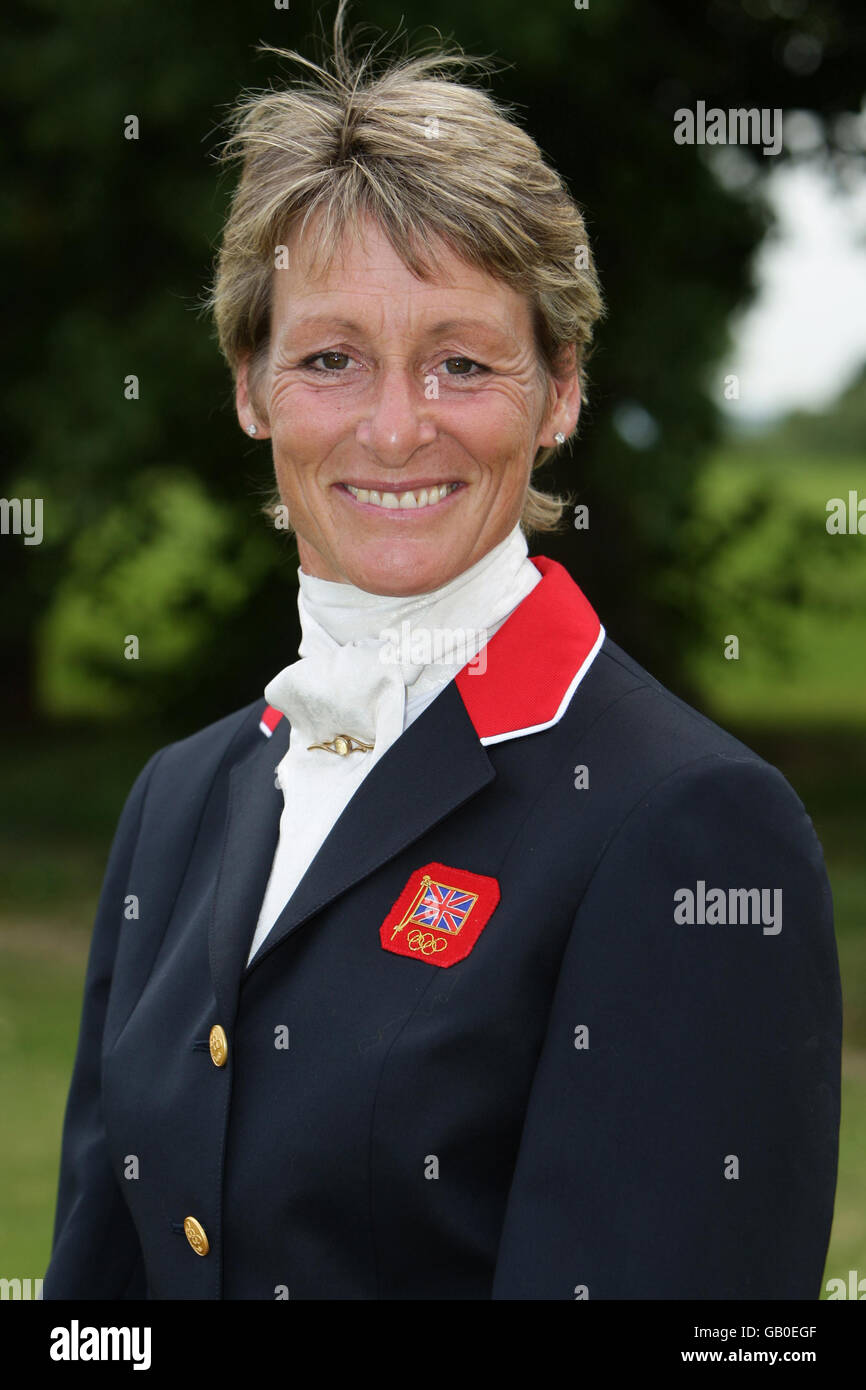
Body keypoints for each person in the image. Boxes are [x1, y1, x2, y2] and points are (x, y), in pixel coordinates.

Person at [43, 1, 841, 1300]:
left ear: (562, 388)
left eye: (461, 361)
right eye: (331, 358)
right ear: (250, 387)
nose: (396, 428)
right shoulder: (178, 801)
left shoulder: (688, 827)